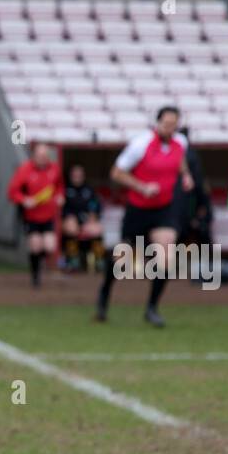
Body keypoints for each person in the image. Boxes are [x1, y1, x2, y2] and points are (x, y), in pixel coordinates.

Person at [94, 107, 193, 327]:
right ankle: (104, 294)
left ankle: (152, 308)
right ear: (157, 123)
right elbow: (116, 172)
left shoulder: (180, 143)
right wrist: (141, 187)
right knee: (122, 260)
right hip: (138, 208)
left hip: (164, 209)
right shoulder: (141, 143)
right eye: (166, 123)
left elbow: (180, 162)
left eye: (173, 124)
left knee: (166, 255)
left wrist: (185, 175)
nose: (170, 128)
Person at [6, 141, 61, 288]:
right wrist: (24, 200)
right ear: (34, 156)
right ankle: (35, 276)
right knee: (35, 246)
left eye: (46, 155)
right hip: (31, 216)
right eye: (40, 155)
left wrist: (60, 196)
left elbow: (59, 186)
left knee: (50, 246)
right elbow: (12, 192)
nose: (43, 158)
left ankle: (41, 263)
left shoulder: (54, 169)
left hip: (48, 215)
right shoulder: (25, 170)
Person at [60, 163, 104, 272]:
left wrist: (92, 216)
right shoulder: (64, 190)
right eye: (75, 175)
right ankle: (73, 259)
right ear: (70, 175)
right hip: (70, 221)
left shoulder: (89, 190)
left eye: (79, 175)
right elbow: (61, 209)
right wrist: (68, 218)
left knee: (97, 229)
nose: (77, 177)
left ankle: (99, 259)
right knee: (71, 226)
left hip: (85, 221)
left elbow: (95, 205)